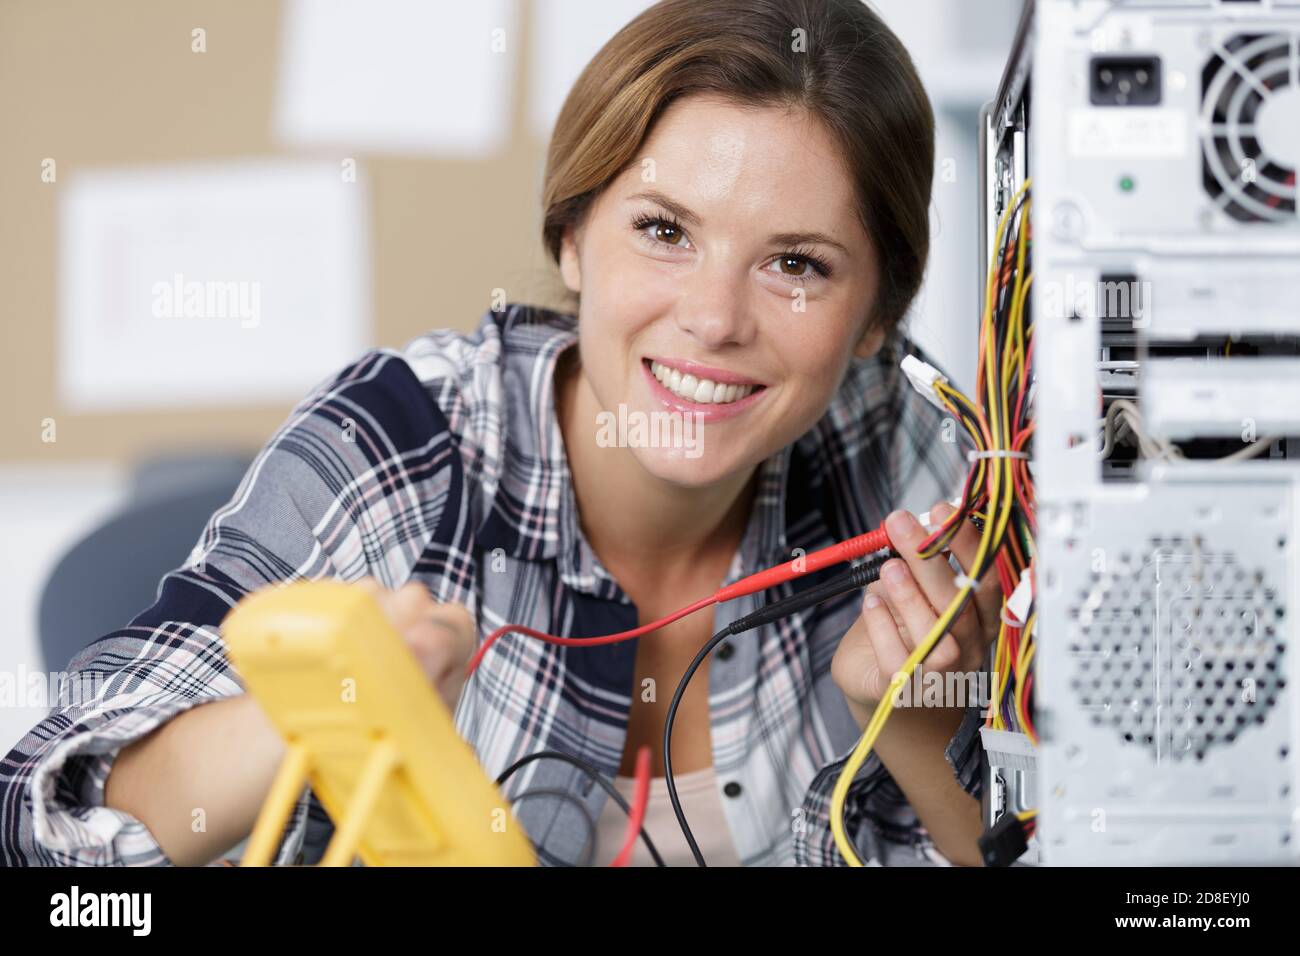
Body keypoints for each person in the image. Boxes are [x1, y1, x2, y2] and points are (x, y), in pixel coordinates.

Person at [0, 0, 999, 867]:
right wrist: (326, 707)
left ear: (876, 318)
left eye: (797, 264)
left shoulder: (922, 464)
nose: (714, 317)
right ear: (571, 237)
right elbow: (39, 830)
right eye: (662, 229)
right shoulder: (401, 445)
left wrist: (924, 732)